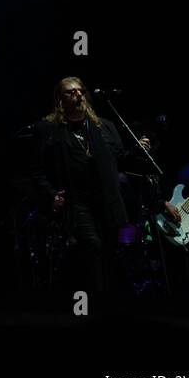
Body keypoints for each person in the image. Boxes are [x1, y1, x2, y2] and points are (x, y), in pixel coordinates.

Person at [25, 77, 128, 294]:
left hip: (105, 199)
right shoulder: (48, 129)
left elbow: (121, 159)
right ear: (60, 99)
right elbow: (35, 169)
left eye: (81, 91)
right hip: (75, 199)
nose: (78, 95)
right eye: (71, 92)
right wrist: (51, 194)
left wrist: (138, 151)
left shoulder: (103, 127)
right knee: (92, 245)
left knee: (111, 250)